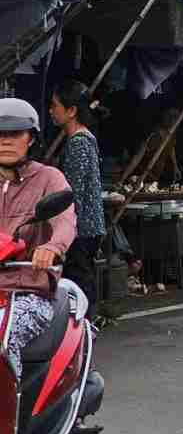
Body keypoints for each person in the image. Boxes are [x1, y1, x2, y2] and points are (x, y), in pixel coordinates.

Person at [0, 98, 75, 376]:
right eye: (0, 134)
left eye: (15, 134)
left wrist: (52, 246)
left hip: (28, 292)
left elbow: (65, 221)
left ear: (31, 138)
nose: (6, 141)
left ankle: (9, 416)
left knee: (3, 341)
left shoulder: (49, 178)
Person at [45, 81, 104, 306]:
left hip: (82, 228)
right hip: (87, 226)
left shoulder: (79, 142)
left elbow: (73, 192)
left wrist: (63, 225)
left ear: (71, 111)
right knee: (81, 278)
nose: (51, 111)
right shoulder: (81, 138)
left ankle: (84, 326)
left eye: (55, 106)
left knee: (79, 281)